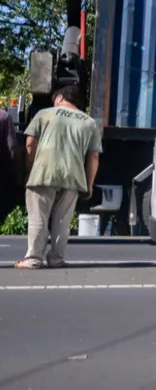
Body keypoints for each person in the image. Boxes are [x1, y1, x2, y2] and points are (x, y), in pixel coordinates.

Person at [15, 85, 101, 270]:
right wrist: (89, 184)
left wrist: (28, 170)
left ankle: (33, 259)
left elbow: (30, 144)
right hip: (73, 176)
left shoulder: (44, 114)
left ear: (61, 97)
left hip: (43, 172)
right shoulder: (90, 123)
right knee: (62, 220)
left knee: (38, 217)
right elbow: (93, 157)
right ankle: (56, 259)